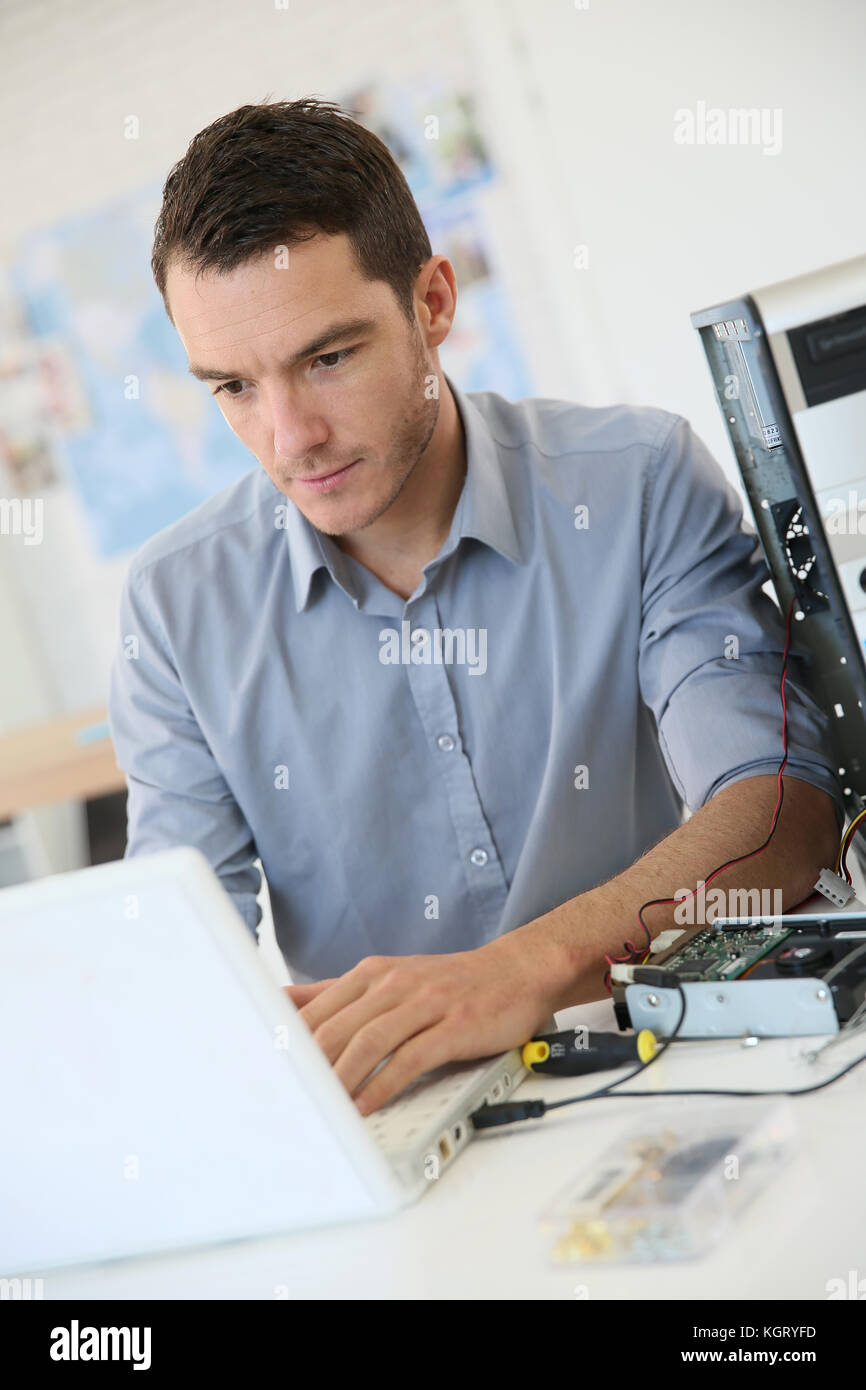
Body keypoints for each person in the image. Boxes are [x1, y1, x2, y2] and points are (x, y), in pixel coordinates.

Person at [108, 97, 843, 1115]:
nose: (289, 437)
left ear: (434, 302)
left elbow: (776, 812)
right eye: (232, 386)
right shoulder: (174, 608)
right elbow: (175, 958)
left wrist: (516, 971)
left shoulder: (632, 483)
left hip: (672, 1066)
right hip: (399, 1118)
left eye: (327, 358)